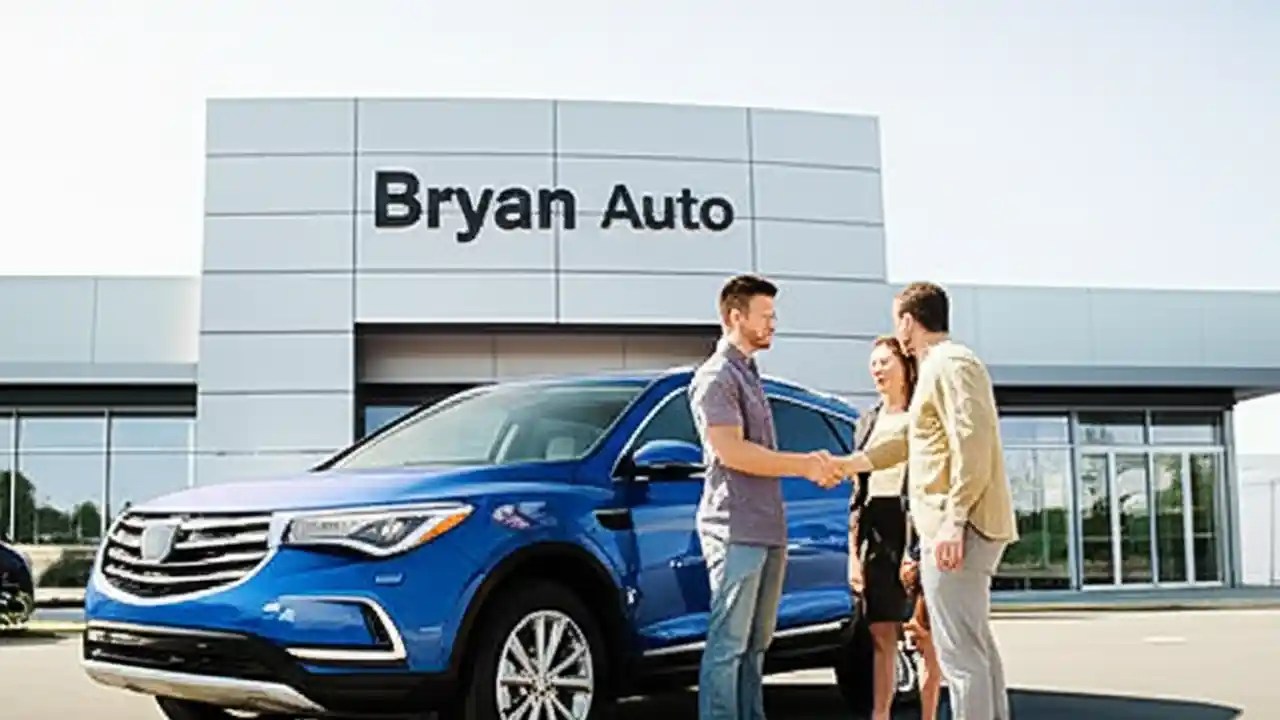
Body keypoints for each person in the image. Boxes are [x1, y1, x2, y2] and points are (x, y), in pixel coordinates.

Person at [838, 281, 1019, 720]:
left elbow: (971, 442)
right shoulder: (937, 369)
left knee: (960, 656)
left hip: (959, 528)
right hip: (957, 524)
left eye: (895, 320)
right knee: (974, 647)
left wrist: (954, 520)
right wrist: (848, 465)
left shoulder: (951, 364)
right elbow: (907, 443)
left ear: (907, 321)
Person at [689, 273, 841, 720]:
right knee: (728, 645)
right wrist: (805, 464)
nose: (774, 324)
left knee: (756, 646)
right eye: (766, 316)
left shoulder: (750, 375)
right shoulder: (716, 377)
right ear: (736, 317)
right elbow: (731, 451)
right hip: (735, 528)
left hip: (767, 527)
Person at [847, 336, 942, 720]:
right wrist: (853, 555)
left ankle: (930, 713)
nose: (877, 369)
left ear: (905, 366)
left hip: (914, 528)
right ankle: (880, 714)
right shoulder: (866, 421)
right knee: (881, 634)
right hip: (875, 530)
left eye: (885, 361)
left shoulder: (923, 416)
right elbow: (856, 496)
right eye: (873, 363)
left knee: (922, 635)